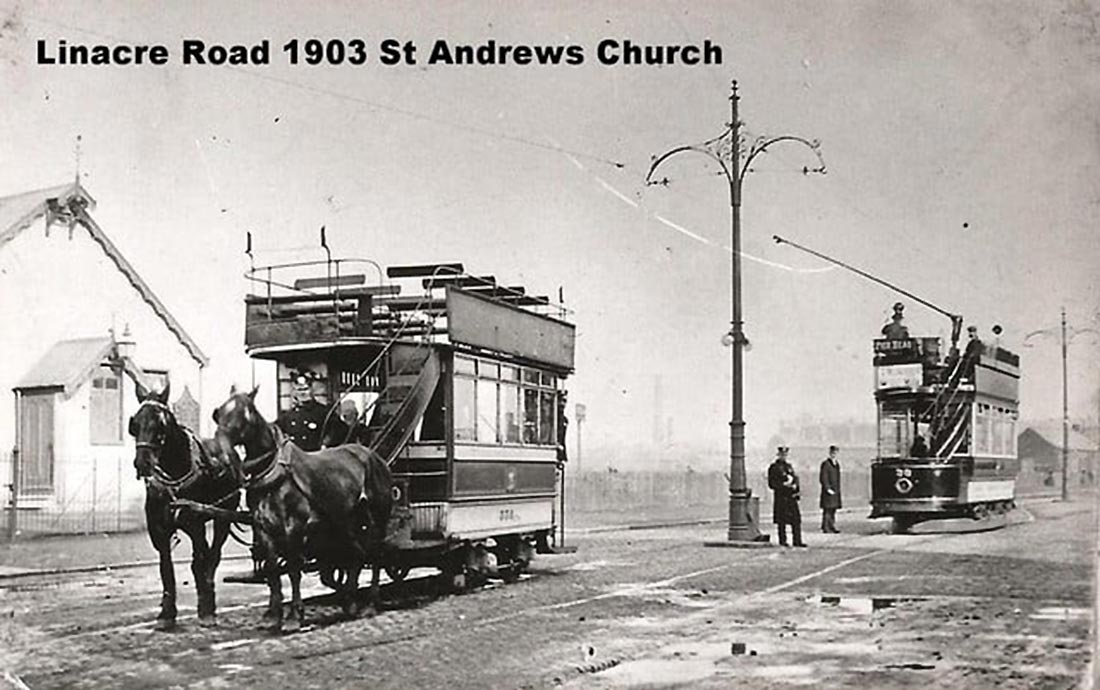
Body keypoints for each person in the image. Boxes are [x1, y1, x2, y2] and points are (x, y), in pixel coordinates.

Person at [276, 370, 348, 450]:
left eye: (305, 389)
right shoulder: (288, 416)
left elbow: (340, 430)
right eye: (299, 390)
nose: (302, 393)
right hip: (295, 460)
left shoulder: (324, 412)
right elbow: (275, 431)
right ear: (295, 392)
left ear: (311, 390)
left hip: (317, 458)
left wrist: (326, 444)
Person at [768, 446, 806, 547]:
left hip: (791, 497)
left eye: (785, 455)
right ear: (778, 455)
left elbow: (795, 478)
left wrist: (796, 488)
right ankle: (783, 541)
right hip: (781, 497)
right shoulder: (774, 467)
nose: (783, 457)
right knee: (782, 521)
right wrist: (782, 485)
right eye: (782, 455)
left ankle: (797, 540)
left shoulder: (789, 466)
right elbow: (771, 484)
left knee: (796, 520)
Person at [819, 445, 842, 534]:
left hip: (835, 491)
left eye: (835, 453)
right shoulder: (826, 464)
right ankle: (826, 527)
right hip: (828, 491)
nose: (834, 454)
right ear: (830, 453)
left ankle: (832, 526)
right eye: (832, 453)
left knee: (833, 509)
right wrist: (827, 488)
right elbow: (823, 477)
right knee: (827, 510)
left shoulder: (836, 464)